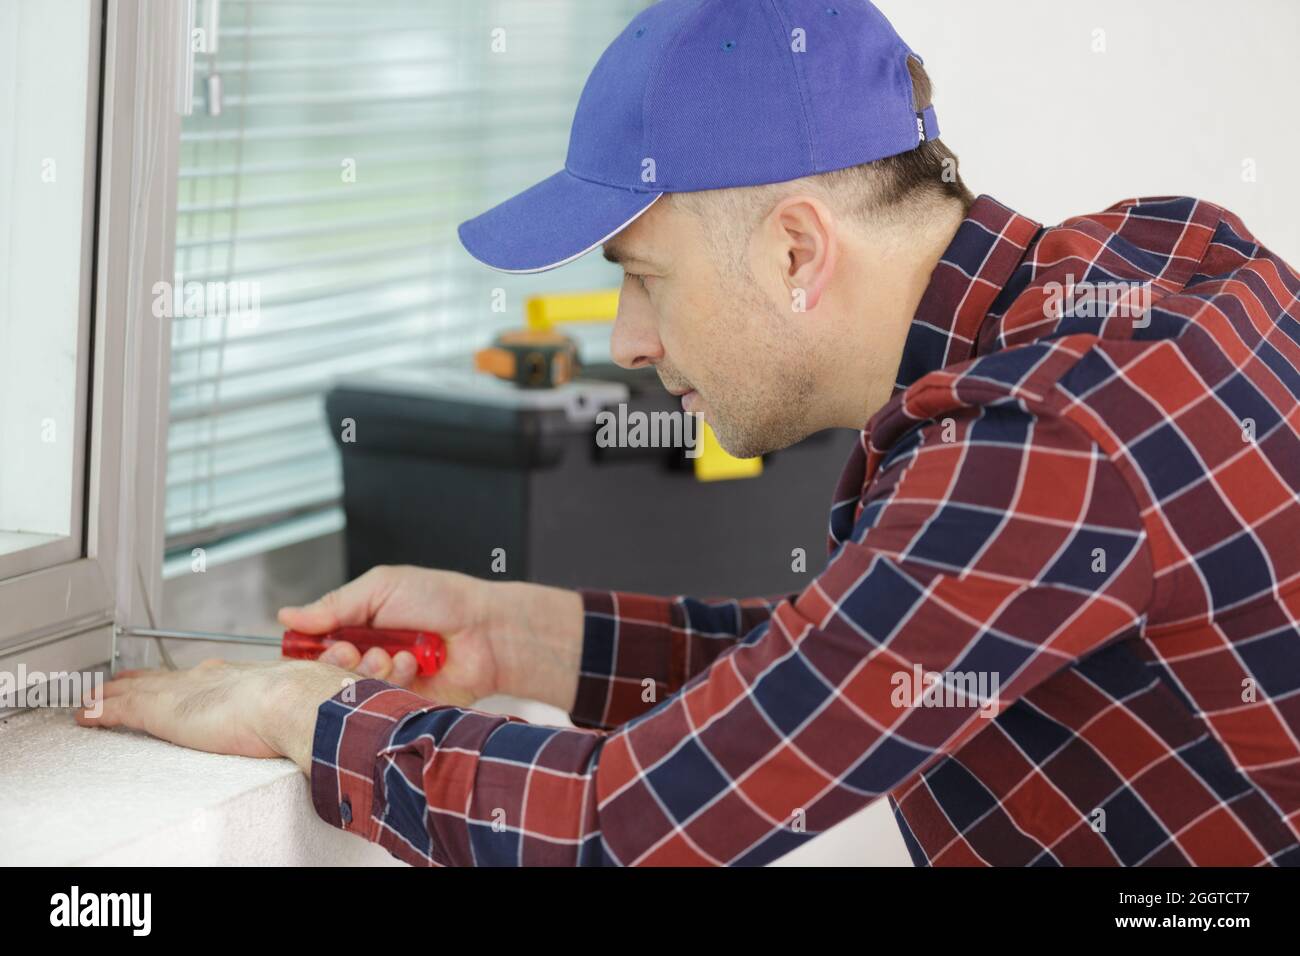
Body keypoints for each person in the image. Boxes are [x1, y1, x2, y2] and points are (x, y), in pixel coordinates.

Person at [80, 0, 1300, 867]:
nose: (627, 340)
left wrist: (299, 714)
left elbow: (624, 830)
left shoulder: (1037, 443)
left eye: (642, 275)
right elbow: (871, 646)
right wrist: (526, 633)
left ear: (795, 250)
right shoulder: (1162, 254)